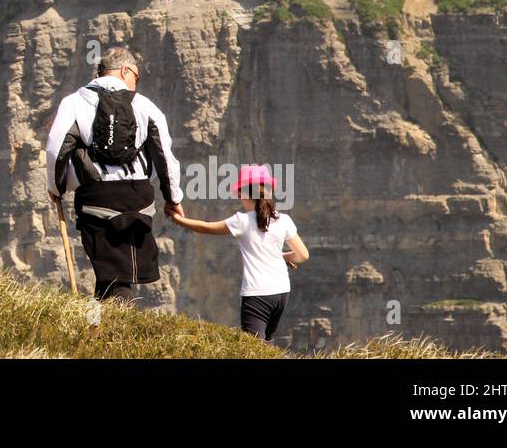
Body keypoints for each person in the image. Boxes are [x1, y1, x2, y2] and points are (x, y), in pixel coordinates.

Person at [45, 47, 184, 303]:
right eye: (136, 77)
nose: (135, 83)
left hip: (96, 197)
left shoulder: (73, 102)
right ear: (124, 71)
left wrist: (56, 187)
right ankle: (109, 328)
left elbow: (56, 147)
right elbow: (164, 155)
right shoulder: (144, 105)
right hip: (138, 196)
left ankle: (113, 328)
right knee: (118, 271)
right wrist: (173, 198)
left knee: (111, 269)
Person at [168, 164, 309, 340]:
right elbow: (303, 255)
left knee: (253, 349)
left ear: (244, 194)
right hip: (281, 292)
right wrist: (281, 256)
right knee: (267, 345)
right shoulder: (284, 220)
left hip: (257, 293)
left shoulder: (241, 221)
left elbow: (205, 228)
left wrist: (179, 219)